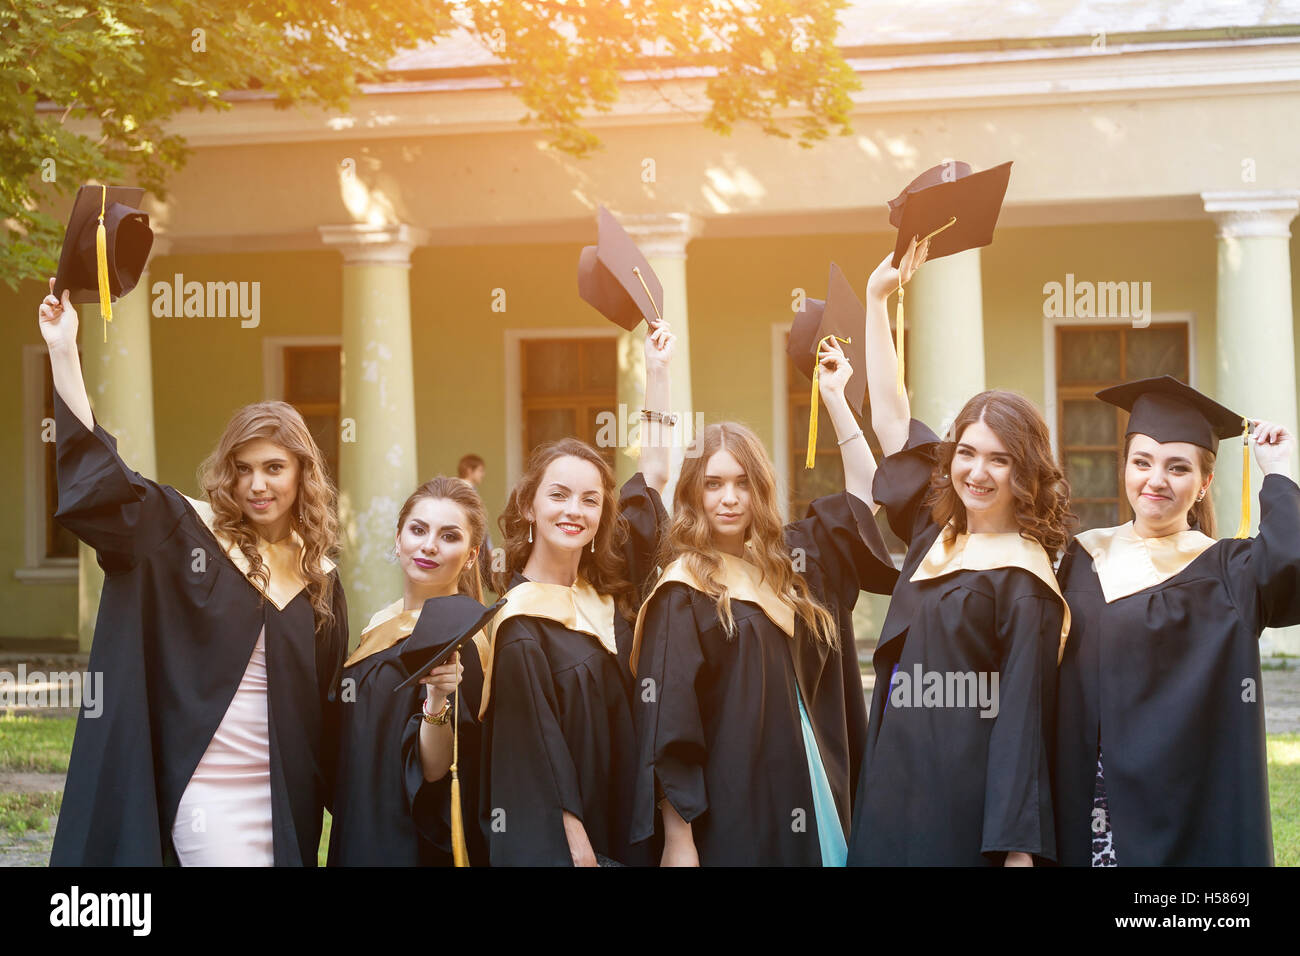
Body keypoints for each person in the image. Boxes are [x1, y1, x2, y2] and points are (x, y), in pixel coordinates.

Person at [40, 278, 347, 866]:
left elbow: (331, 715)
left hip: (283, 800)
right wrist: (62, 350)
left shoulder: (319, 577)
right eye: (243, 468)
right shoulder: (185, 532)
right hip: (205, 793)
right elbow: (104, 490)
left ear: (302, 473)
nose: (258, 485)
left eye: (275, 468)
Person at [629, 332, 900, 865]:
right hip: (736, 807)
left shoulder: (796, 560)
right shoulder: (683, 587)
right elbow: (670, 724)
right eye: (712, 484)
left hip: (815, 789)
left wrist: (837, 402)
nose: (729, 498)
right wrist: (679, 838)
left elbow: (866, 498)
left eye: (742, 483)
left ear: (761, 489)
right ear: (693, 492)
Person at [846, 239, 1073, 866]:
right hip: (895, 776)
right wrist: (875, 299)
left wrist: (1018, 852)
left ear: (1024, 471)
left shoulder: (1025, 580)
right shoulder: (935, 535)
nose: (977, 471)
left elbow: (1022, 722)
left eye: (999, 459)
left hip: (962, 799)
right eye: (967, 453)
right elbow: (893, 420)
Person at [1053, 375, 1299, 866]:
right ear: (1124, 466)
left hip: (1191, 805)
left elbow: (1291, 563)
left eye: (1178, 467)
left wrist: (1277, 471)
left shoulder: (1230, 569)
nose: (1156, 480)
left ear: (1204, 483)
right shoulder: (1082, 557)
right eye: (1142, 462)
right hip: (1093, 799)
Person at [476, 320, 675, 866]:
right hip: (582, 836)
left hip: (638, 815)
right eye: (558, 495)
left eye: (589, 500)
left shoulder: (611, 586)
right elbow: (535, 754)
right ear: (528, 507)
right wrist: (574, 844)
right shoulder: (518, 623)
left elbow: (654, 475)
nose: (574, 510)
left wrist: (657, 373)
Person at [328, 476, 490, 866]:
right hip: (359, 826)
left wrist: (437, 700)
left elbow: (435, 772)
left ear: (470, 555)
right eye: (418, 530)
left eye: (449, 536)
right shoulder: (380, 625)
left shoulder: (462, 639)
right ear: (399, 538)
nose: (429, 545)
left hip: (407, 844)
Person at [459, 455, 496, 595]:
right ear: (469, 470)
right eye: (480, 470)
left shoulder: (470, 490)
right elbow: (478, 524)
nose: (483, 474)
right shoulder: (462, 491)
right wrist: (489, 549)